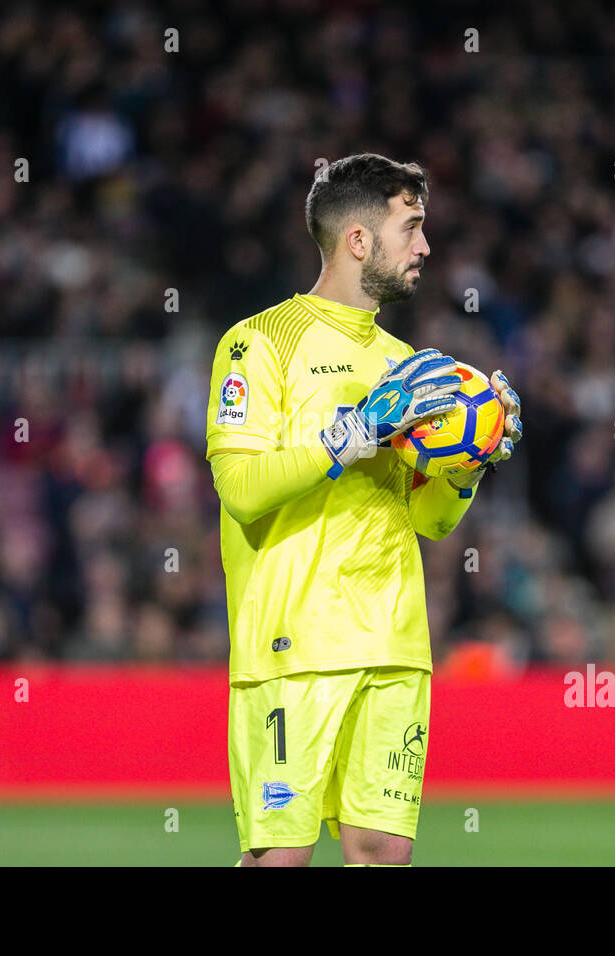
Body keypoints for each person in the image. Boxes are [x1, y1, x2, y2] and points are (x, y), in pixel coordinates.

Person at [204, 153, 522, 866]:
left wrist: (471, 461)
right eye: (410, 227)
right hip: (294, 644)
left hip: (393, 641)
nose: (425, 247)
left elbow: (430, 520)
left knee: (381, 850)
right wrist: (351, 434)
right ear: (357, 240)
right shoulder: (259, 343)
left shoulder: (406, 363)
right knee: (278, 858)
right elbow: (241, 488)